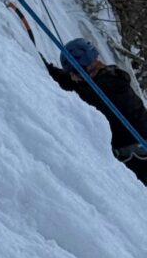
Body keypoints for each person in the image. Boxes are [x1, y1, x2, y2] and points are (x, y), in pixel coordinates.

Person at [46, 38, 147, 188]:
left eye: (73, 73)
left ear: (80, 72)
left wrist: (52, 72)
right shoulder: (109, 76)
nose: (73, 78)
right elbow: (75, 83)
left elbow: (82, 92)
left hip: (138, 157)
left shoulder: (103, 89)